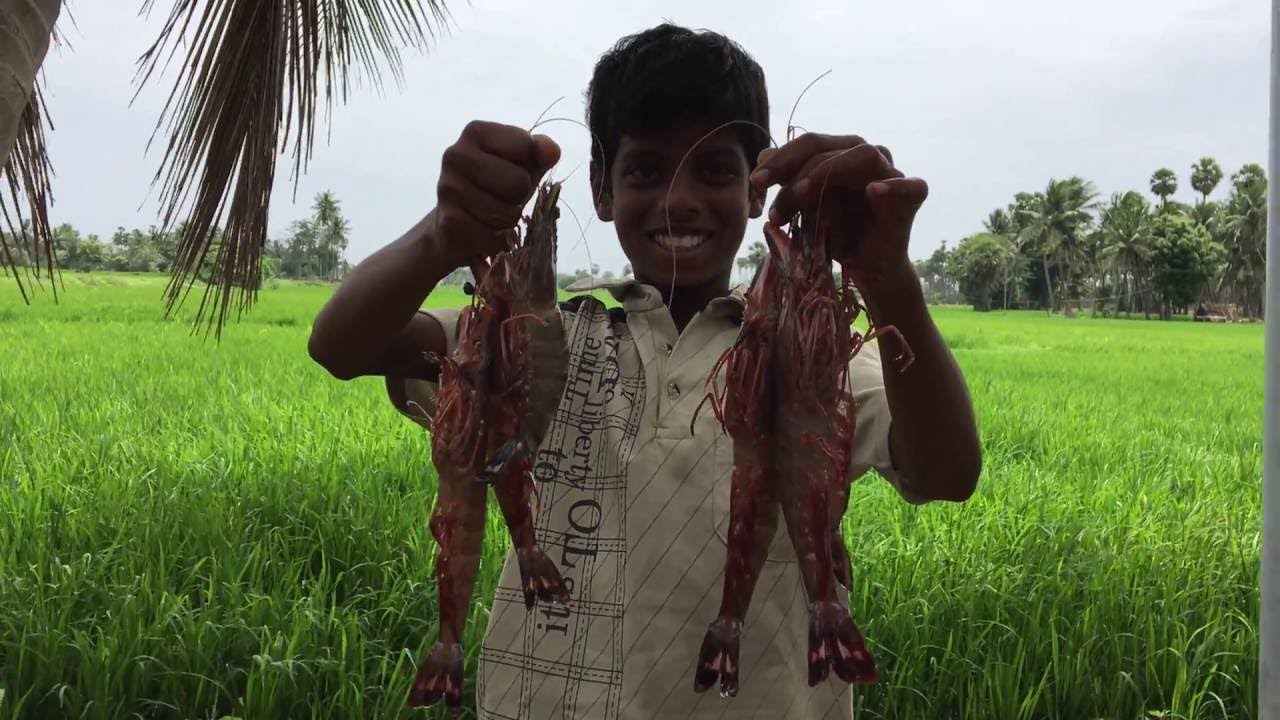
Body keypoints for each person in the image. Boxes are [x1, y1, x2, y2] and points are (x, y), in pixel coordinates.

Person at [308, 22, 981, 720]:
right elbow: (343, 346)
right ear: (602, 190)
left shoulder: (813, 359)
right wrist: (441, 235)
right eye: (645, 170)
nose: (679, 199)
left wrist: (888, 280)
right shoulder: (525, 338)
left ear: (757, 191)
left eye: (716, 170)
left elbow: (947, 473)